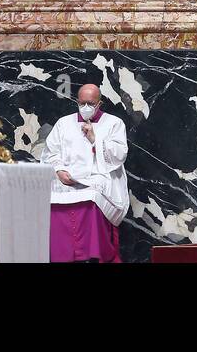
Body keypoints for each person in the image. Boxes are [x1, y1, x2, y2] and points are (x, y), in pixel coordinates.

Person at [42, 83, 129, 263]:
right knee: (50, 197)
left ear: (99, 103)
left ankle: (93, 254)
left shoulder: (114, 123)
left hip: (98, 176)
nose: (86, 107)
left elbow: (120, 155)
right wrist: (59, 170)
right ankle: (60, 255)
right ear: (77, 101)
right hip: (67, 178)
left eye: (91, 103)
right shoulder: (63, 123)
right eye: (82, 103)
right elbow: (50, 153)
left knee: (92, 196)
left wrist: (95, 140)